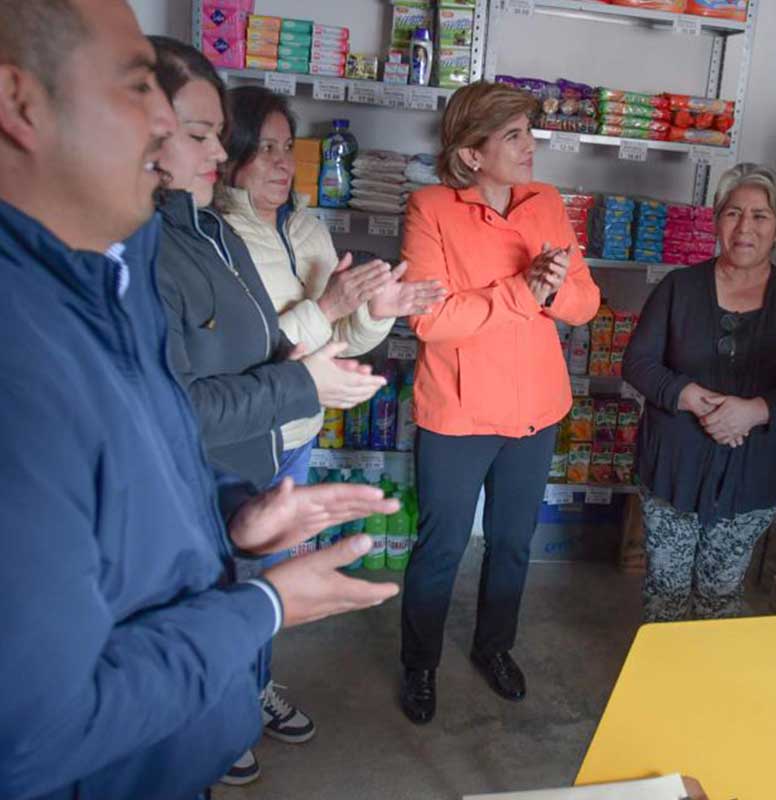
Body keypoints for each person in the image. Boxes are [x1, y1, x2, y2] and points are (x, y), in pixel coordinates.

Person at [0, 3, 400, 798]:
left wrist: (231, 524)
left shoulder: (115, 266)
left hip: (169, 752)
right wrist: (264, 606)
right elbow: (33, 739)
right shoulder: (20, 341)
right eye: (139, 87)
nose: (167, 128)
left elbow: (148, 451)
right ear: (20, 104)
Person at [148, 37, 398, 786]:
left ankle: (240, 704)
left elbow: (277, 345)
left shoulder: (224, 233)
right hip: (221, 467)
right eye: (209, 138)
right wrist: (310, 363)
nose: (220, 156)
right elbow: (187, 402)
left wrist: (371, 314)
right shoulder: (161, 248)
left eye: (222, 139)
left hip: (252, 466)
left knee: (256, 595)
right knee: (227, 617)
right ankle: (224, 721)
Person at [397, 81, 600, 725]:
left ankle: (494, 648)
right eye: (513, 135)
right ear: (470, 153)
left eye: (528, 132)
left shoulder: (545, 204)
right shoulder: (430, 208)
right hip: (458, 413)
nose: (530, 146)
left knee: (513, 543)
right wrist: (522, 291)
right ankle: (420, 664)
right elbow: (431, 320)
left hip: (536, 408)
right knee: (442, 545)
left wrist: (557, 288)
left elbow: (586, 304)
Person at [623, 164, 776, 622]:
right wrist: (690, 395)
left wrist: (756, 411)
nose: (745, 228)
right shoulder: (679, 287)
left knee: (720, 596)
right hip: (673, 468)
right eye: (733, 214)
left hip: (754, 474)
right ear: (716, 221)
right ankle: (664, 686)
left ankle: (708, 690)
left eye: (760, 216)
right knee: (665, 594)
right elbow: (637, 362)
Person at [216, 86, 444, 481]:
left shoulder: (308, 229)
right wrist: (328, 307)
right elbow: (237, 360)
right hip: (246, 439)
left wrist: (372, 313)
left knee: (280, 545)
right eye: (266, 148)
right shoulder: (216, 238)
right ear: (230, 155)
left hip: (302, 428)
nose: (283, 163)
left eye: (287, 147)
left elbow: (334, 342)